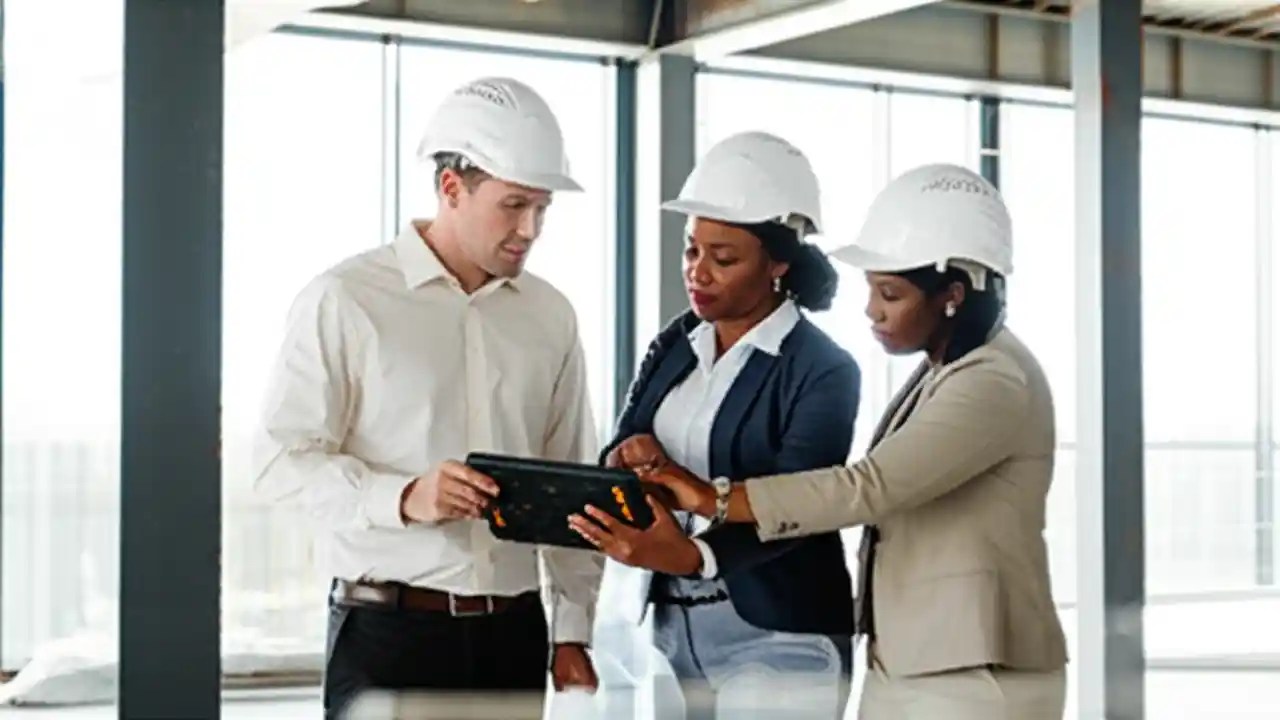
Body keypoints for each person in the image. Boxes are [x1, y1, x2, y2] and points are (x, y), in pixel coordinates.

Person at [574, 163, 1069, 719]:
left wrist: (706, 502)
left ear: (952, 294)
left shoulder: (992, 379)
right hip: (911, 654)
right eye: (693, 250)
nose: (871, 311)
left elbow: (865, 488)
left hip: (967, 662)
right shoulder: (944, 369)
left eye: (890, 293)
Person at [252, 76, 604, 719]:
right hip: (388, 634)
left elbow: (571, 481)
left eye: (543, 208)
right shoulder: (346, 299)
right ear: (451, 189)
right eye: (514, 205)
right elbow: (279, 464)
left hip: (513, 637)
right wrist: (405, 498)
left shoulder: (551, 316)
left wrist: (573, 627)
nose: (531, 229)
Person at [598, 131, 861, 719]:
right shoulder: (675, 341)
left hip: (780, 634)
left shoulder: (823, 369)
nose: (699, 272)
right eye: (691, 250)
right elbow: (618, 445)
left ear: (778, 263)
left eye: (723, 259)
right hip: (671, 630)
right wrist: (625, 457)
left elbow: (798, 505)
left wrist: (695, 557)